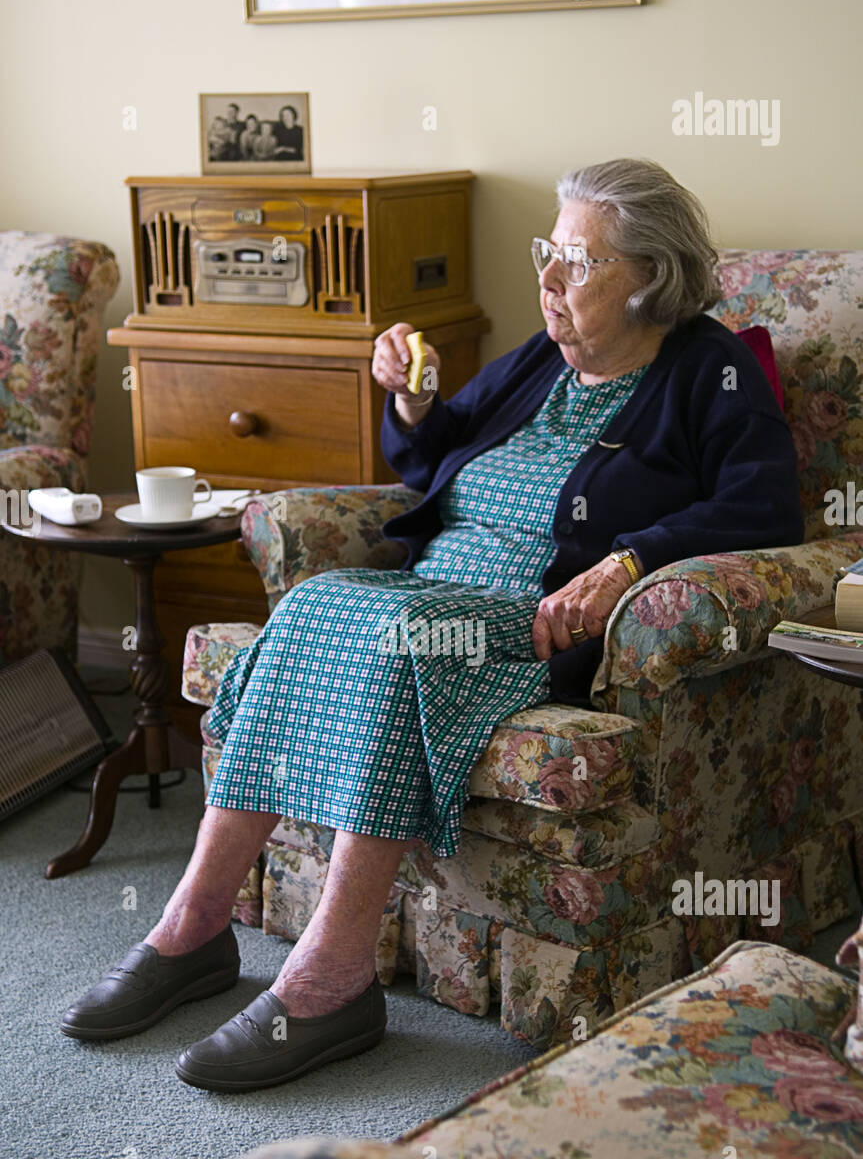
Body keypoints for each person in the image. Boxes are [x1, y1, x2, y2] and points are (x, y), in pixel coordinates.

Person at [60, 158, 803, 1091]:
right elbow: (435, 450)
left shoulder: (710, 372)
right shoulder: (543, 359)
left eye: (575, 263)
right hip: (429, 591)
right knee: (313, 605)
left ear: (649, 277)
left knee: (382, 635)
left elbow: (767, 510)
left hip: (524, 619)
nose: (546, 283)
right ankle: (194, 928)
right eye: (547, 253)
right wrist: (410, 399)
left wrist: (630, 559)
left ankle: (330, 977)